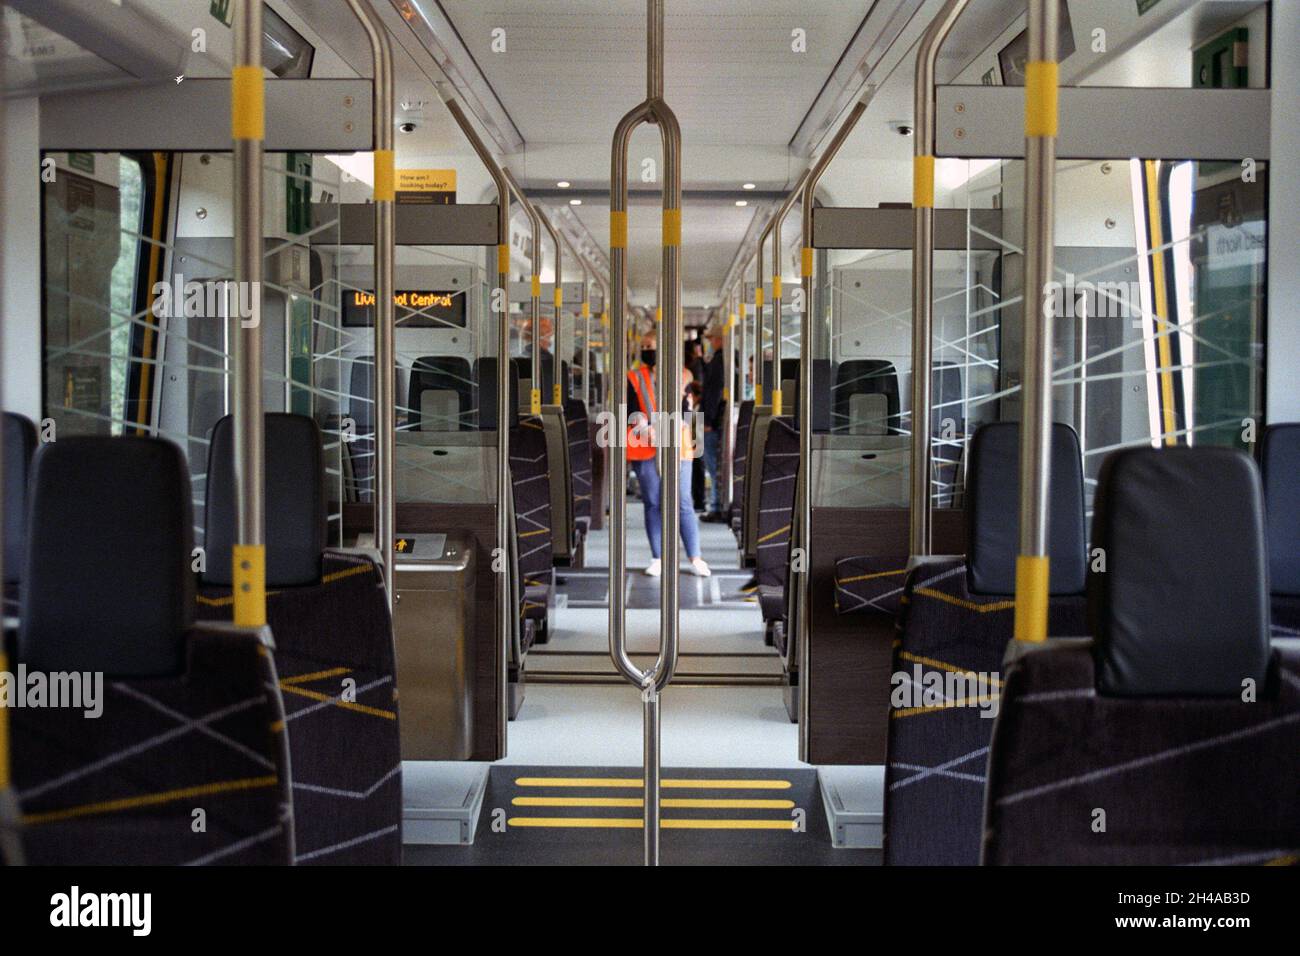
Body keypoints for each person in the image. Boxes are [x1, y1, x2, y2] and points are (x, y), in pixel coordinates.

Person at [626, 333, 710, 578]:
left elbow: (687, 409)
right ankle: (658, 557)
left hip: (678, 445)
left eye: (650, 346)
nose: (646, 350)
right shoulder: (634, 377)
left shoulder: (683, 375)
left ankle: (695, 557)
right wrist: (645, 427)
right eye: (643, 346)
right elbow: (632, 407)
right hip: (645, 445)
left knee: (683, 501)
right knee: (653, 502)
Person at [700, 327, 727, 521]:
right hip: (716, 419)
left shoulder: (719, 361)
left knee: (713, 463)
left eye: (713, 339)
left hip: (712, 422)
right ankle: (717, 503)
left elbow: (713, 393)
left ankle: (717, 505)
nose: (711, 342)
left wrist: (707, 420)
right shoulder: (724, 360)